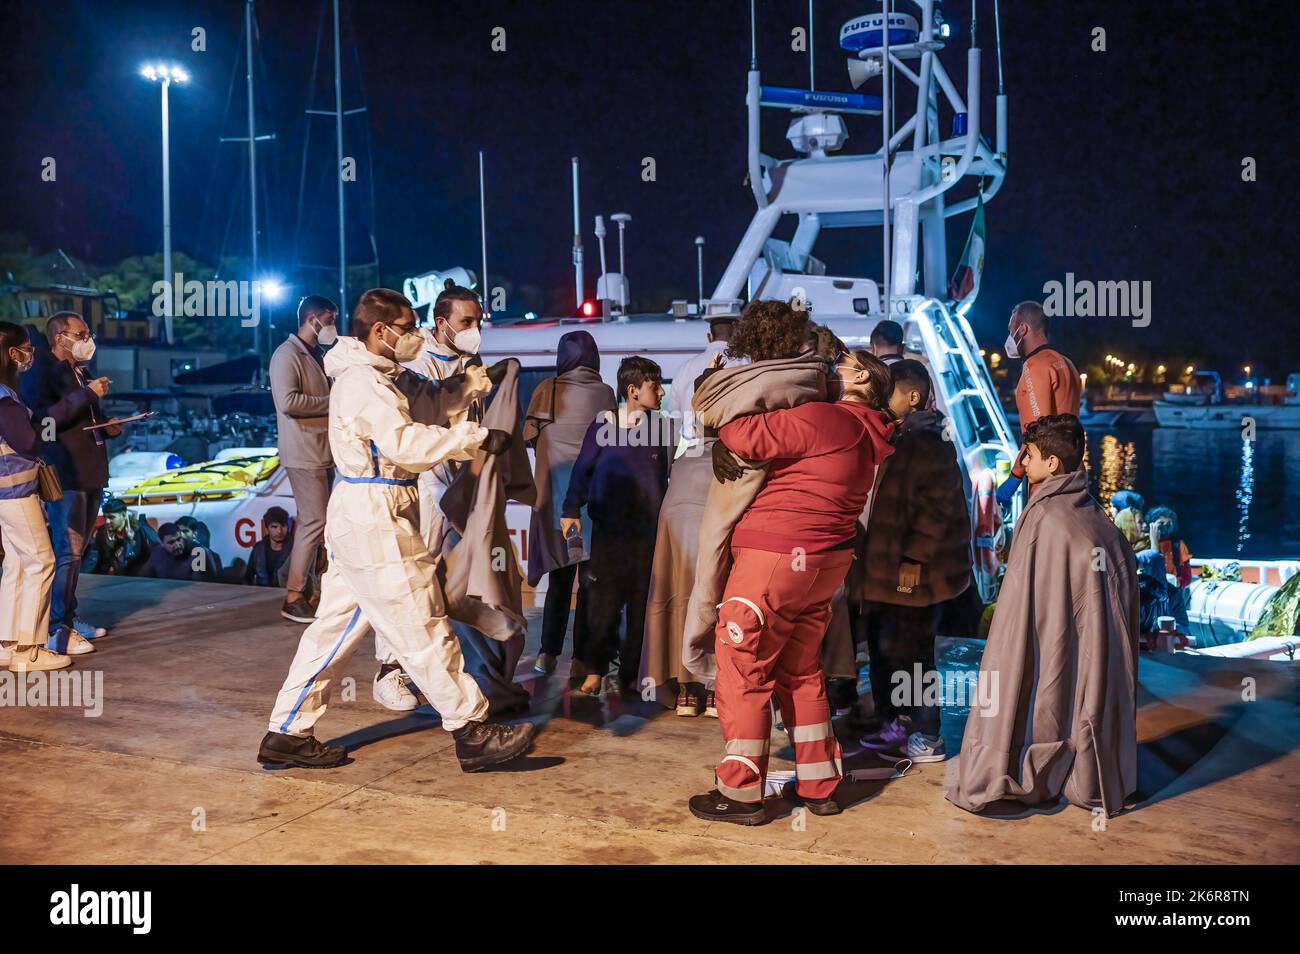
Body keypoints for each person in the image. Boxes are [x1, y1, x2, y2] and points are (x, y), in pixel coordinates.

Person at [257, 288, 535, 772]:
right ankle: (472, 731)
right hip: (375, 511)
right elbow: (404, 442)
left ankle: (287, 731)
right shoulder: (364, 381)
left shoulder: (380, 375)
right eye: (407, 329)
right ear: (381, 331)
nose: (414, 337)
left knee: (333, 632)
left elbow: (426, 402)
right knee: (421, 621)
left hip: (366, 510)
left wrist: (471, 386)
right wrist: (473, 437)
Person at [687, 347, 896, 825]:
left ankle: (740, 793)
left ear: (860, 375)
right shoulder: (869, 434)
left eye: (839, 362)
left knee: (744, 668)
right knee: (800, 672)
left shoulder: (830, 420)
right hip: (824, 565)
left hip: (775, 559)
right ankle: (820, 784)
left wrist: (725, 386)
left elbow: (744, 436)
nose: (827, 369)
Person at [948, 414, 1139, 817]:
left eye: (1030, 455)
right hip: (1091, 656)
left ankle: (1019, 761)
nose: (1024, 463)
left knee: (1040, 683)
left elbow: (1018, 614)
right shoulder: (1097, 518)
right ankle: (1084, 765)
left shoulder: (1043, 517)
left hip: (1049, 644)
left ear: (1052, 464)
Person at [857, 360, 972, 763]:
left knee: (914, 653)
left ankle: (927, 733)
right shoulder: (907, 436)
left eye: (887, 393)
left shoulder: (928, 441)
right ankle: (897, 722)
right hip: (891, 568)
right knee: (890, 648)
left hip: (911, 573)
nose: (880, 402)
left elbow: (936, 510)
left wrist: (912, 560)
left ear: (913, 396)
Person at [644, 311, 746, 715]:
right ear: (736, 334)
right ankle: (723, 684)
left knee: (683, 583)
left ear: (709, 334)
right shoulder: (747, 367)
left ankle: (686, 687)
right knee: (725, 584)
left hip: (686, 477)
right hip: (732, 473)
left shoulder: (686, 369)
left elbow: (675, 425)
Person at [561, 356, 669, 697]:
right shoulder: (603, 425)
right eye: (655, 386)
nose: (662, 392)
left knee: (641, 605)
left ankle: (631, 675)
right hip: (608, 535)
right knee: (602, 603)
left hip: (647, 536)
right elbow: (580, 474)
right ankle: (595, 670)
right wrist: (572, 526)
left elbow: (665, 476)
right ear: (632, 390)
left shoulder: (661, 427)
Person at [22, 311, 120, 653]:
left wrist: (107, 423)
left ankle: (68, 615)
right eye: (81, 334)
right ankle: (56, 628)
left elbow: (83, 419)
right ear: (60, 337)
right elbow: (46, 421)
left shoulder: (79, 371)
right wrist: (89, 395)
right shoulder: (43, 372)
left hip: (91, 473)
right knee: (67, 551)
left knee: (79, 552)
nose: (87, 339)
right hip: (67, 474)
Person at [522, 330, 617, 676]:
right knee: (589, 583)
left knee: (559, 583)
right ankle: (581, 660)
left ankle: (546, 654)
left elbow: (531, 440)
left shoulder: (546, 390)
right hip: (592, 507)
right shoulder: (605, 393)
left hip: (555, 507)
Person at [0, 321, 70, 672]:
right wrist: (43, 429)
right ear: (12, 353)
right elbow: (25, 441)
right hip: (16, 491)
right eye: (26, 348)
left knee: (15, 563)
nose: (30, 354)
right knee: (41, 562)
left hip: (3, 494)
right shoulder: (6, 397)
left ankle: (7, 643)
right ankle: (30, 649)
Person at [269, 295, 337, 622]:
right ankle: (294, 595)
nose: (332, 326)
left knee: (319, 524)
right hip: (304, 451)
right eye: (329, 319)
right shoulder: (286, 355)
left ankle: (308, 587)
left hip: (323, 451)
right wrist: (333, 400)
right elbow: (288, 401)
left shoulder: (318, 354)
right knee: (314, 522)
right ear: (313, 319)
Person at [997, 301, 1082, 506]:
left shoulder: (1034, 368)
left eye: (1011, 329)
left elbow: (1037, 433)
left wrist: (1015, 477)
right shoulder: (1066, 364)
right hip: (1075, 475)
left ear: (1022, 328)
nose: (1009, 336)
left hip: (1047, 481)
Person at [83, 498, 157, 576]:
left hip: (141, 579)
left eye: (111, 517)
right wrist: (82, 577)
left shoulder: (142, 531)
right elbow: (93, 560)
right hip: (117, 579)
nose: (107, 521)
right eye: (105, 517)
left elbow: (158, 556)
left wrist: (130, 541)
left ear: (124, 515)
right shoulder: (102, 532)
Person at [1136, 549, 1189, 650]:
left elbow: (1183, 625)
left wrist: (1172, 632)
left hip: (1164, 650)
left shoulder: (1173, 594)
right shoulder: (1132, 594)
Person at [142, 523, 222, 582]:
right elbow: (144, 577)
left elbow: (199, 586)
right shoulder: (157, 551)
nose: (177, 545)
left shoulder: (198, 553)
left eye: (179, 539)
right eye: (171, 542)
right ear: (162, 544)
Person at [244, 506, 292, 587]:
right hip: (261, 596)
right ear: (267, 528)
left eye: (283, 526)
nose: (279, 531)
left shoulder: (294, 549)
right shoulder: (258, 549)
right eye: (274, 527)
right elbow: (247, 578)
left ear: (288, 527)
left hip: (285, 596)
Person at [1146, 505, 1193, 587]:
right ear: (1151, 524)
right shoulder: (1144, 542)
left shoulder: (1178, 545)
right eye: (1161, 523)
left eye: (1168, 524)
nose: (1165, 527)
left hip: (1171, 589)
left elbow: (1186, 575)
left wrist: (1177, 583)